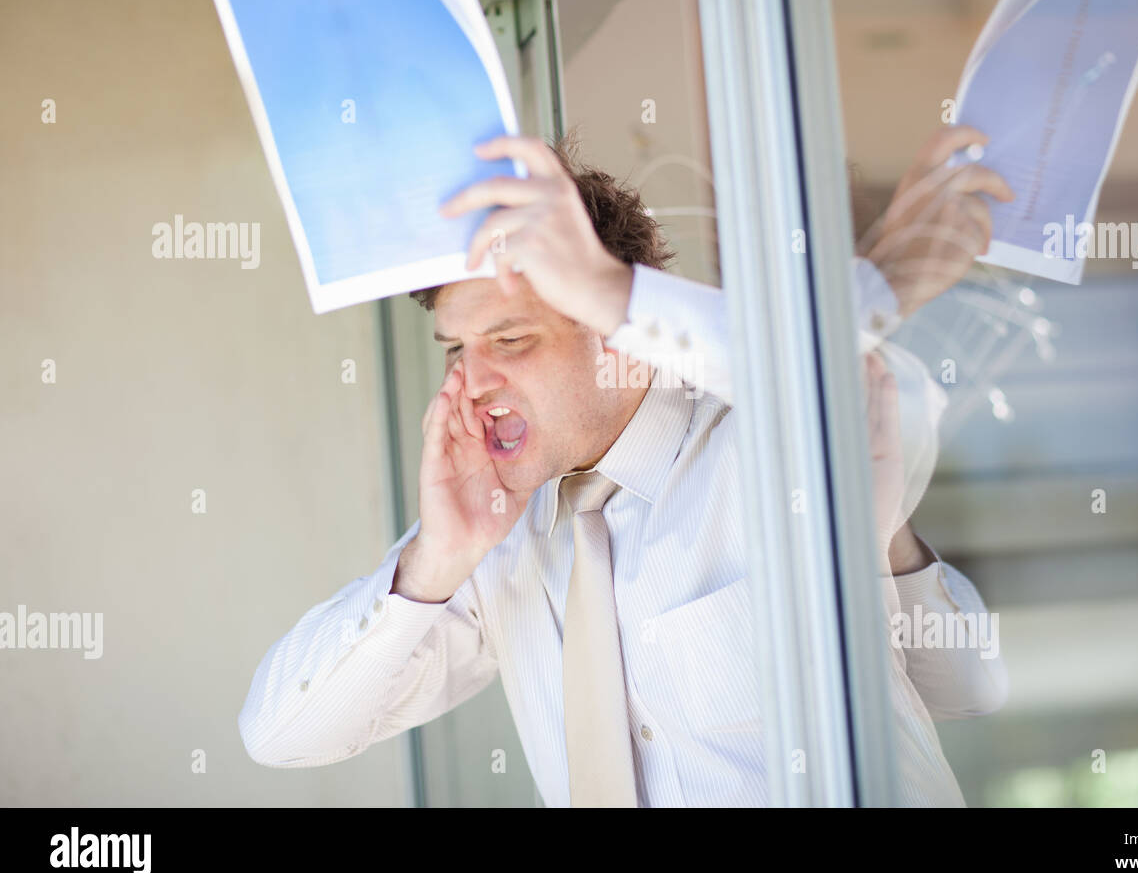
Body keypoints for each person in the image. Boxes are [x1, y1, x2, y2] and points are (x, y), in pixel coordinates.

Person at [238, 127, 1013, 806]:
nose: (471, 384)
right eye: (457, 351)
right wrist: (435, 563)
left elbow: (966, 680)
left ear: (618, 335)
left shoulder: (767, 445)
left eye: (510, 342)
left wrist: (865, 300)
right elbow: (282, 735)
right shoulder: (495, 533)